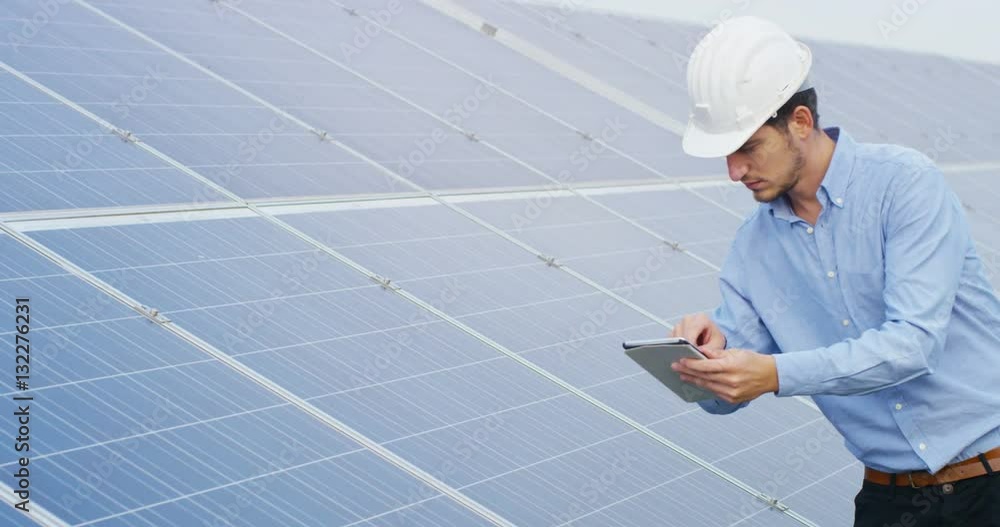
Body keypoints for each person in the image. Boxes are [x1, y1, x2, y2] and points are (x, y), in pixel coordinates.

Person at [669, 15, 1000, 526]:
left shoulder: (903, 186)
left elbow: (912, 345)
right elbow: (724, 400)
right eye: (725, 155)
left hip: (992, 481)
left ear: (800, 122)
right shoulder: (753, 249)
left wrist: (775, 375)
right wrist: (703, 363)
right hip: (889, 501)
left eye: (748, 147)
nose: (734, 171)